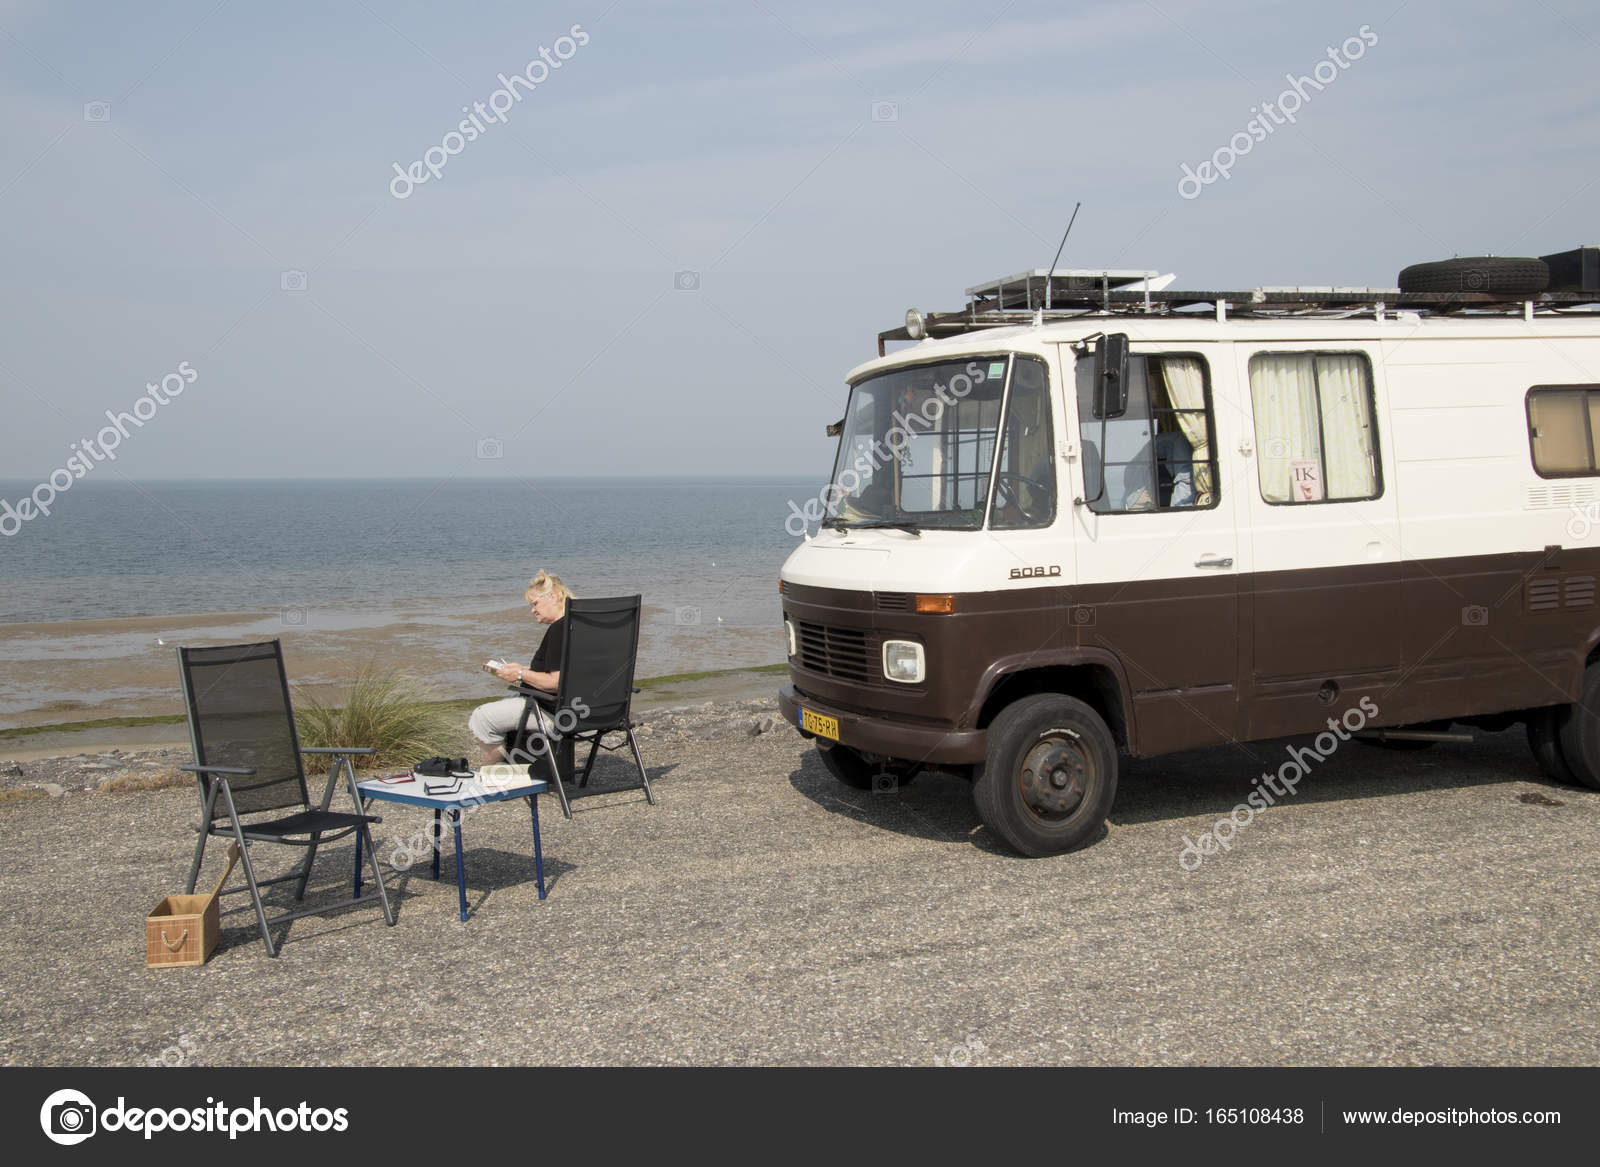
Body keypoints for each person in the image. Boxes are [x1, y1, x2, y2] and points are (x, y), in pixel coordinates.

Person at [467, 571, 573, 764]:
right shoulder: (579, 625)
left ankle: (493, 778)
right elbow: (568, 671)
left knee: (481, 718)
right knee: (507, 702)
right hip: (591, 710)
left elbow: (555, 683)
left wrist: (519, 673)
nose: (533, 610)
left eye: (535, 603)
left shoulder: (559, 629)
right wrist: (523, 671)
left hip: (558, 714)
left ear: (552, 596)